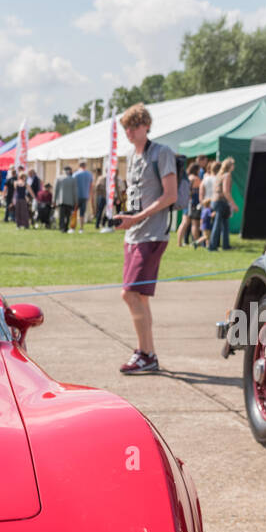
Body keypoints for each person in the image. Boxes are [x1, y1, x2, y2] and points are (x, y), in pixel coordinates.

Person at [115, 102, 178, 375]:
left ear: (146, 126)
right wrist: (126, 217)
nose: (129, 131)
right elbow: (137, 197)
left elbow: (170, 195)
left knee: (129, 294)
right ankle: (147, 353)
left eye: (134, 126)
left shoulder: (161, 153)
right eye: (126, 127)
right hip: (134, 234)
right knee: (139, 297)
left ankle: (145, 354)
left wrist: (137, 218)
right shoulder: (132, 156)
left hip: (152, 233)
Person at [209, 158, 237, 250]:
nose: (234, 166)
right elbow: (226, 191)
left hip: (216, 201)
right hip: (221, 202)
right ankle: (212, 246)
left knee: (224, 224)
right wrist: (233, 204)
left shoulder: (219, 175)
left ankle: (225, 245)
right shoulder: (227, 175)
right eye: (233, 164)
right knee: (218, 224)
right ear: (230, 166)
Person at [177, 163, 201, 247]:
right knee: (194, 223)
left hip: (187, 202)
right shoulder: (196, 178)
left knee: (184, 223)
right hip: (193, 202)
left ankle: (179, 242)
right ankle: (197, 242)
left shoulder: (187, 177)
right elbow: (198, 189)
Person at [53, 166, 77, 232]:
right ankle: (66, 227)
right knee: (68, 215)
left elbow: (55, 190)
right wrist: (75, 201)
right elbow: (75, 191)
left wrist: (54, 200)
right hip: (70, 201)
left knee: (62, 216)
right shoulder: (73, 179)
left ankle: (61, 228)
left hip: (61, 200)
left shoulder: (59, 178)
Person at [74, 160, 93, 231]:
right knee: (82, 212)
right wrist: (89, 195)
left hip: (76, 196)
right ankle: (81, 228)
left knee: (74, 212)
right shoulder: (89, 174)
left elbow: (73, 185)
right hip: (85, 196)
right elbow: (91, 186)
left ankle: (73, 226)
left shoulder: (76, 174)